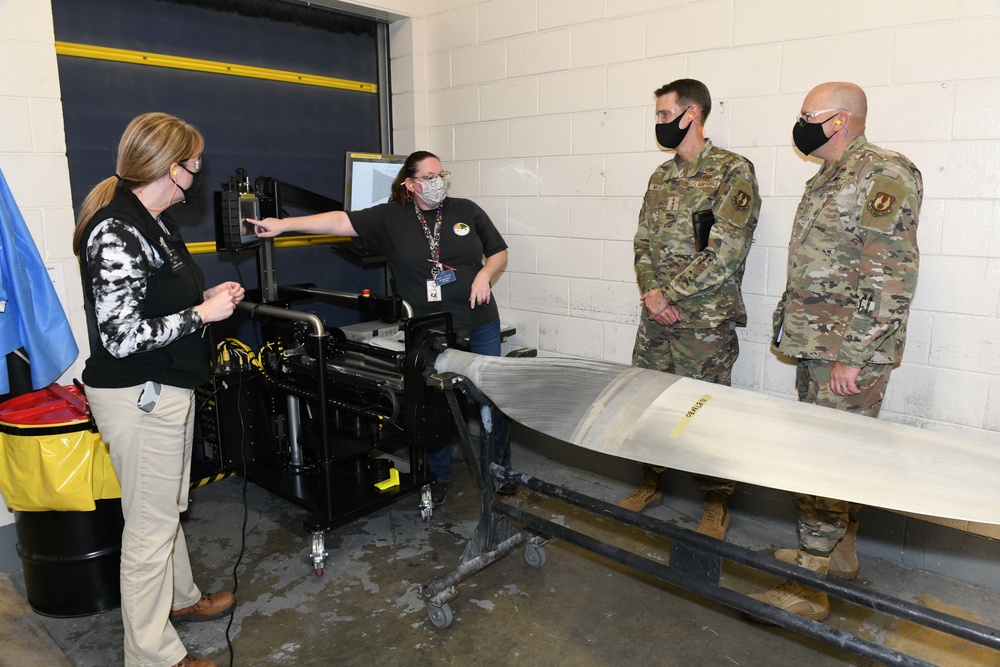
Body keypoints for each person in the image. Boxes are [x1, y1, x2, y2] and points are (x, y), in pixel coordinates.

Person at [74, 112, 243, 667]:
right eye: (194, 164)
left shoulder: (155, 222)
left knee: (164, 507)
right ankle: (152, 655)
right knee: (149, 528)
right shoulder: (116, 231)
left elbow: (156, 300)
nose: (198, 173)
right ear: (172, 169)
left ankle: (180, 598)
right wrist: (201, 315)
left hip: (165, 387)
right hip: (139, 394)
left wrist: (205, 298)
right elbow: (121, 337)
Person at [252, 150, 512, 506]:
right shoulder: (390, 218)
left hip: (480, 322)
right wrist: (283, 226)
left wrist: (484, 275)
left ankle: (500, 471)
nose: (438, 183)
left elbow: (499, 252)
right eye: (429, 177)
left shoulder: (466, 210)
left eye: (441, 175)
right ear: (409, 184)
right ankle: (437, 476)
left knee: (491, 400)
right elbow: (338, 221)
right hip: (431, 331)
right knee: (436, 406)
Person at [751, 82, 922, 621]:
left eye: (808, 116)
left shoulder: (882, 172)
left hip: (846, 352)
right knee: (831, 456)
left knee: (825, 462)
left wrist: (856, 354)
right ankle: (836, 554)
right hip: (817, 345)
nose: (800, 124)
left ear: (840, 121)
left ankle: (809, 584)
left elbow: (890, 273)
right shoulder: (828, 175)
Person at [621, 79, 761, 541]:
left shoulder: (732, 171)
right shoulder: (660, 176)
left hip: (703, 322)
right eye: (658, 115)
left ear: (692, 114)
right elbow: (642, 243)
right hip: (656, 318)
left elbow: (725, 253)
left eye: (664, 114)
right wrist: (651, 294)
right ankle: (650, 482)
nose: (659, 122)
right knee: (647, 403)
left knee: (706, 413)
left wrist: (669, 295)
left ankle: (717, 502)